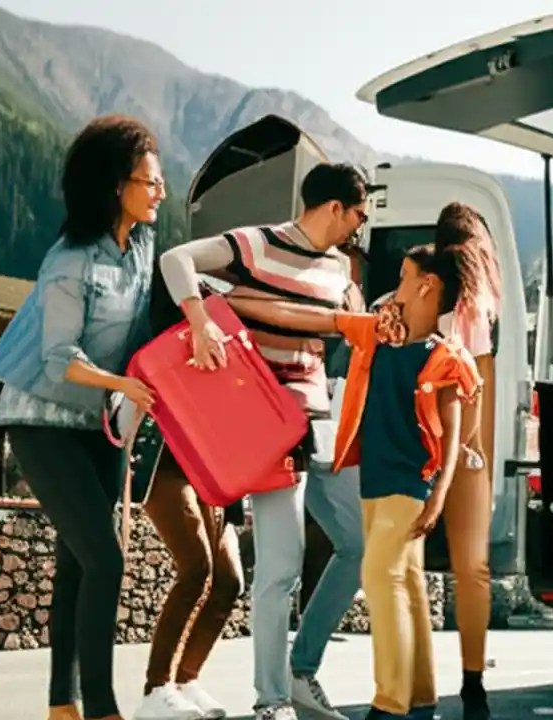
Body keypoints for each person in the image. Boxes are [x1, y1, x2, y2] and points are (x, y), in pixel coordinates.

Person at [157, 162, 368, 720]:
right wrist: (200, 320)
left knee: (359, 542)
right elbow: (175, 259)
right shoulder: (258, 244)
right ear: (335, 208)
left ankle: (301, 671)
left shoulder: (341, 268)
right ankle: (271, 700)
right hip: (268, 426)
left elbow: (344, 331)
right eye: (359, 214)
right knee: (281, 567)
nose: (360, 226)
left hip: (320, 421)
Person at [0, 115, 163, 720]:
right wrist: (123, 385)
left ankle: (62, 705)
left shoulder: (142, 248)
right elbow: (60, 360)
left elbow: (142, 331)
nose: (160, 191)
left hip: (98, 424)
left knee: (78, 564)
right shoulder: (69, 259)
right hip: (39, 419)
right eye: (150, 181)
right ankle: (103, 709)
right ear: (117, 185)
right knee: (106, 560)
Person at [333, 242, 483, 719]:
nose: (396, 287)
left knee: (381, 576)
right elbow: (336, 322)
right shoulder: (382, 340)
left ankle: (389, 704)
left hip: (410, 484)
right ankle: (420, 699)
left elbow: (453, 434)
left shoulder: (443, 356)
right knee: (408, 583)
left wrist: (438, 496)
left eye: (404, 276)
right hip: (375, 479)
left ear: (426, 286)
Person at [131, 270, 245, 720]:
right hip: (164, 464)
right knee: (197, 568)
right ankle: (155, 689)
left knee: (229, 581)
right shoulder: (167, 322)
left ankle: (186, 681)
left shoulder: (226, 324)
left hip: (212, 467)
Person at [431, 202, 502, 720]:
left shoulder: (422, 288)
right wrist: (469, 449)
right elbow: (477, 385)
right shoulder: (478, 304)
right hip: (463, 446)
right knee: (472, 568)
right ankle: (472, 682)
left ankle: (407, 685)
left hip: (417, 440)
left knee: (401, 568)